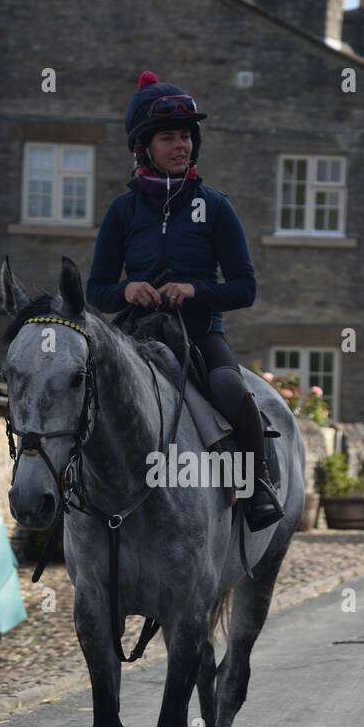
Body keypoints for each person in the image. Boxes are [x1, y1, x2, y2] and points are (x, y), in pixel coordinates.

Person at [86, 70, 285, 531]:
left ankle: (257, 488)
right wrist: (126, 290)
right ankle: (73, 494)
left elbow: (245, 287)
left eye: (186, 137)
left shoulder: (216, 206)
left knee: (233, 390)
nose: (182, 146)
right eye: (169, 138)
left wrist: (195, 290)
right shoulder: (122, 211)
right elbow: (96, 289)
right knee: (80, 391)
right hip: (133, 334)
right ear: (143, 149)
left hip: (198, 334)